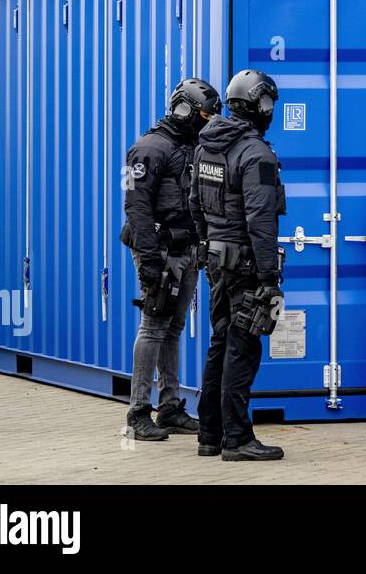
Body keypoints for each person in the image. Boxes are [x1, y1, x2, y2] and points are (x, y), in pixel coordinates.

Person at [190, 69, 287, 462]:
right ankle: (237, 439)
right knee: (242, 349)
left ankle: (209, 434)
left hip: (216, 258)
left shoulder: (206, 146)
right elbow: (260, 221)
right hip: (245, 263)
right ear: (260, 105)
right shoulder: (255, 153)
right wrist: (269, 278)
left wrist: (206, 242)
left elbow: (195, 203)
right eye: (269, 104)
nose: (271, 111)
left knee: (220, 342)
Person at [122, 78, 221, 442]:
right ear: (184, 110)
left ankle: (169, 406)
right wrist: (149, 259)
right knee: (153, 326)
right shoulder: (149, 148)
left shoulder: (192, 146)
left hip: (186, 249)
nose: (208, 121)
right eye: (204, 114)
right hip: (158, 250)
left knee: (174, 328)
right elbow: (136, 206)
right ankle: (137, 412)